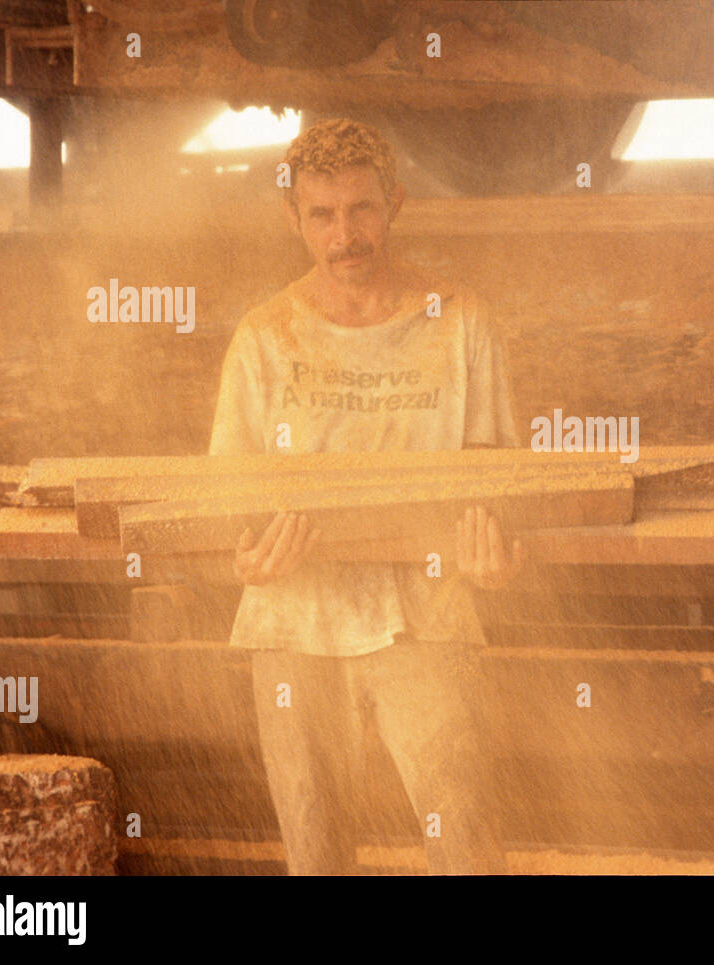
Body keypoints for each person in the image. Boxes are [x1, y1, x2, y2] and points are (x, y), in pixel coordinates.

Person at [208, 118, 523, 874]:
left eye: (361, 210)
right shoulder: (264, 337)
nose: (345, 234)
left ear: (396, 204)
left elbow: (507, 494)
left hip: (429, 615)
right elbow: (222, 507)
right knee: (315, 860)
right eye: (322, 214)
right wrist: (242, 557)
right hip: (292, 621)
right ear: (294, 218)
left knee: (467, 851)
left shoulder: (462, 324)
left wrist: (497, 561)